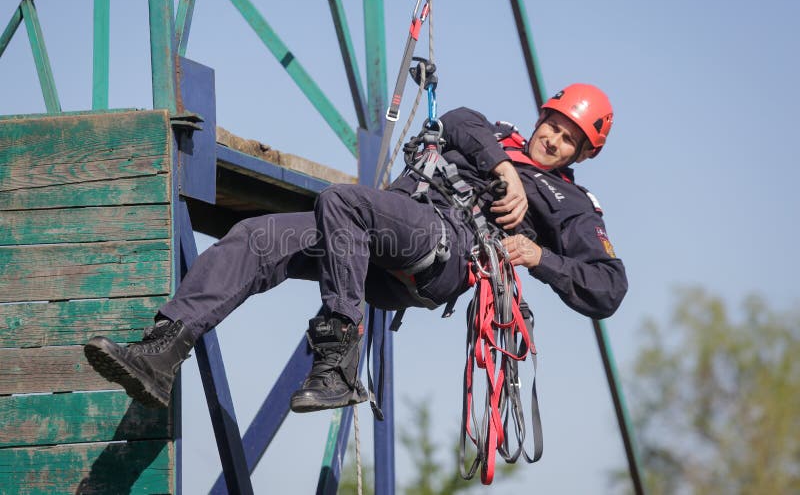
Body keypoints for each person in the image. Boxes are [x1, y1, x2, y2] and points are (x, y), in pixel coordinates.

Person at [84, 83, 628, 413]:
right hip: (375, 244)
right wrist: (505, 168)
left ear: (582, 152)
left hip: (444, 249)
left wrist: (540, 257)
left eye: (568, 140)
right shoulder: (499, 137)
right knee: (256, 237)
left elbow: (609, 287)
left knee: (344, 202)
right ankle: (163, 350)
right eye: (552, 124)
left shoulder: (570, 202)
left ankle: (338, 362)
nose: (552, 139)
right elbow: (460, 119)